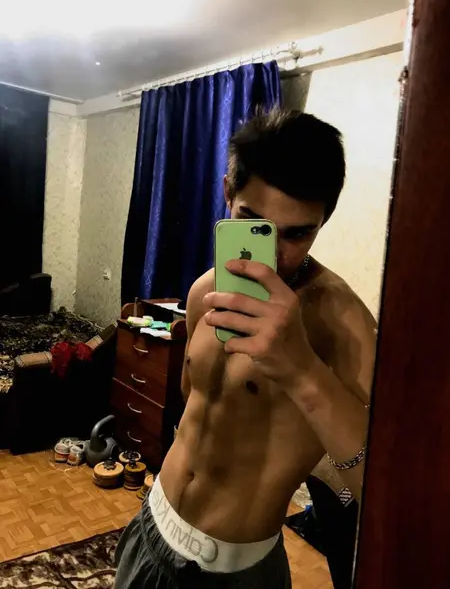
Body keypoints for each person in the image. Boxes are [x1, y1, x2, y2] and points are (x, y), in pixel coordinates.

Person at [115, 109, 376, 588]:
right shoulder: (204, 292)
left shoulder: (344, 324)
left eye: (297, 233)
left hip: (238, 571)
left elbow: (387, 498)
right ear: (227, 194)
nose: (272, 254)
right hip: (153, 527)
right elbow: (192, 400)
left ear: (323, 221)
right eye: (253, 222)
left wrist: (301, 368)